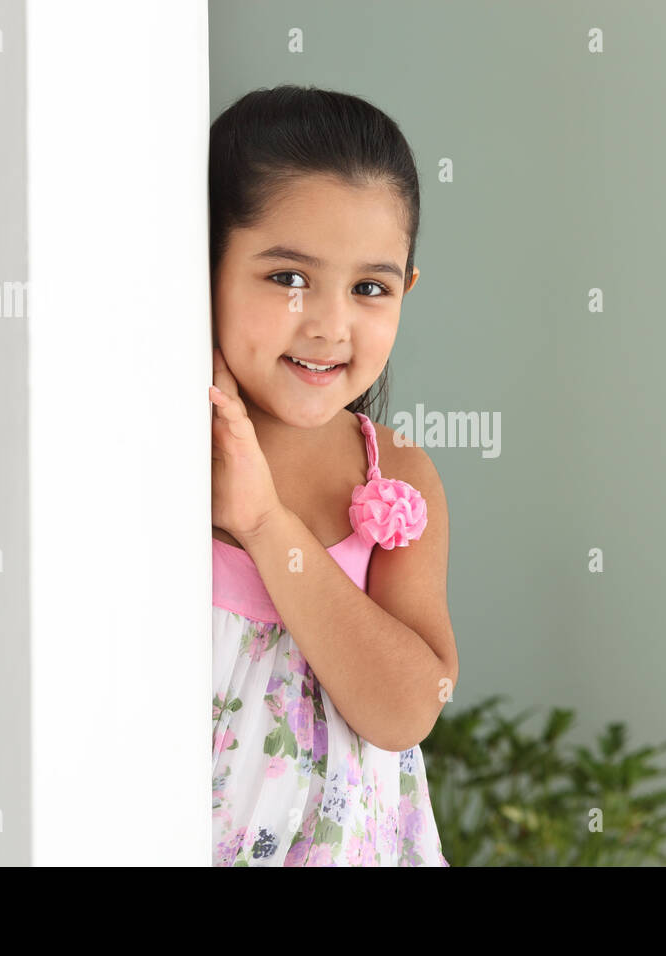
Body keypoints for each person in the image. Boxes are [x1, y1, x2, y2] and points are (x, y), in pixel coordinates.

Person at [208, 85, 456, 866]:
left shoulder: (397, 474)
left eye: (369, 288)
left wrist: (261, 522)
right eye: (287, 277)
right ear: (206, 260)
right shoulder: (141, 450)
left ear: (406, 291)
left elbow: (408, 708)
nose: (329, 324)